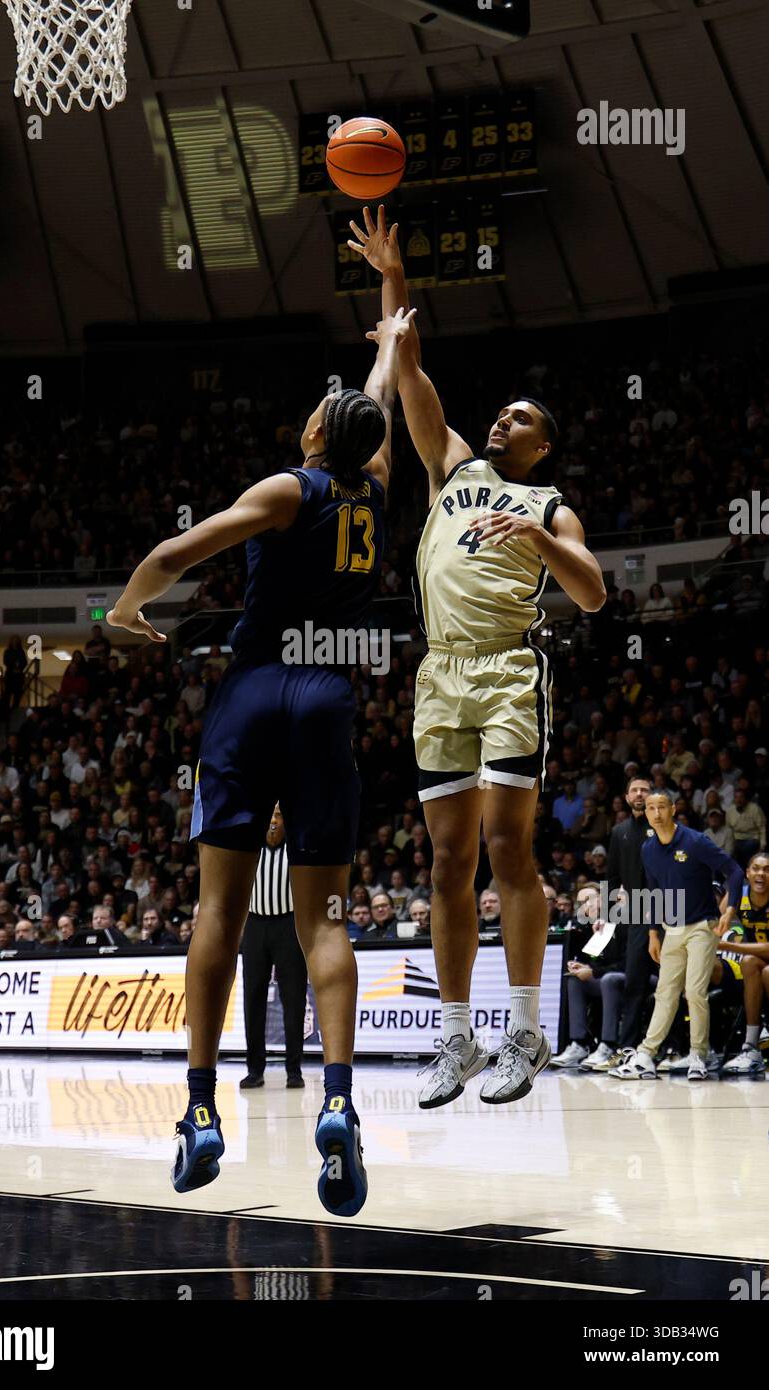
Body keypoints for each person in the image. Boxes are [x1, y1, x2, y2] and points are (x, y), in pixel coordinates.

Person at [108, 307, 414, 1218]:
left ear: (317, 433)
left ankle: (202, 1109)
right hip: (326, 696)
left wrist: (124, 613)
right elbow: (377, 414)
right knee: (326, 920)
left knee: (217, 908)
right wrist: (390, 343)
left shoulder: (289, 489)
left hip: (252, 694)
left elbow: (173, 552)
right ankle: (338, 1099)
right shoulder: (376, 489)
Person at [349, 205, 605, 1109]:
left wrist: (533, 536)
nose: (504, 419)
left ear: (543, 446)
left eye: (521, 417)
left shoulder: (552, 505)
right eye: (502, 410)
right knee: (446, 861)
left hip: (507, 670)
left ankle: (526, 1030)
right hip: (439, 675)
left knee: (507, 849)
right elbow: (408, 371)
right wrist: (393, 277)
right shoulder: (453, 467)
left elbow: (593, 594)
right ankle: (456, 1035)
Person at [610, 790, 744, 1081]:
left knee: (694, 991)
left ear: (673, 809)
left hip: (702, 927)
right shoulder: (648, 849)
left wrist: (730, 908)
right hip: (671, 929)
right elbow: (655, 892)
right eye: (650, 808)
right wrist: (654, 934)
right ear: (645, 813)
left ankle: (699, 1053)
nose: (656, 813)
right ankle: (646, 1054)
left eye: (661, 807)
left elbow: (734, 871)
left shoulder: (695, 841)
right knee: (664, 992)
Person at [239, 805, 308, 1091]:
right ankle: (255, 1069)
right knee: (252, 999)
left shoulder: (297, 847)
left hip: (289, 926)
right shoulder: (249, 847)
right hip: (255, 926)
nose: (273, 821)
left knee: (293, 999)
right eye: (269, 815)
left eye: (279, 815)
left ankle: (294, 1069)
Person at [604, 775, 654, 1071]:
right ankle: (628, 1048)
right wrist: (609, 917)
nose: (639, 794)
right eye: (634, 790)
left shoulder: (663, 829)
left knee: (674, 982)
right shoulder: (619, 831)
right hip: (635, 915)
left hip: (667, 911)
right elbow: (612, 878)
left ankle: (676, 1047)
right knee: (634, 981)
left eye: (644, 790)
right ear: (626, 797)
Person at [550, 883, 627, 1071]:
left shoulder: (632, 924)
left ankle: (608, 1045)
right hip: (608, 977)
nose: (587, 906)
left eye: (590, 900)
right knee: (574, 979)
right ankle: (580, 1044)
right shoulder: (601, 925)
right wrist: (582, 967)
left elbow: (627, 963)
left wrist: (593, 971)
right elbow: (596, 959)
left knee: (609, 980)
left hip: (632, 978)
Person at [719, 852, 769, 1075]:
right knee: (749, 963)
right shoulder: (739, 896)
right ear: (747, 874)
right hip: (756, 963)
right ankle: (750, 1047)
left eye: (767, 869)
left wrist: (731, 947)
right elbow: (716, 923)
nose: (761, 874)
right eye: (756, 868)